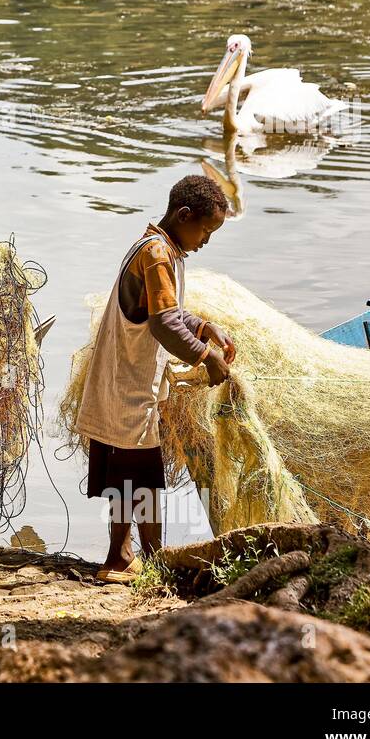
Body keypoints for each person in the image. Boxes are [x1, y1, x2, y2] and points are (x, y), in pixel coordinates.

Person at [74, 174, 236, 583]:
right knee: (141, 481)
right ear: (184, 215)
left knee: (131, 479)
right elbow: (163, 325)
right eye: (205, 230)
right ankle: (140, 559)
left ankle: (125, 556)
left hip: (125, 381)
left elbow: (167, 312)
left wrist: (203, 326)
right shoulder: (158, 254)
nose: (206, 240)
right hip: (130, 385)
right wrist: (207, 358)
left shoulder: (161, 249)